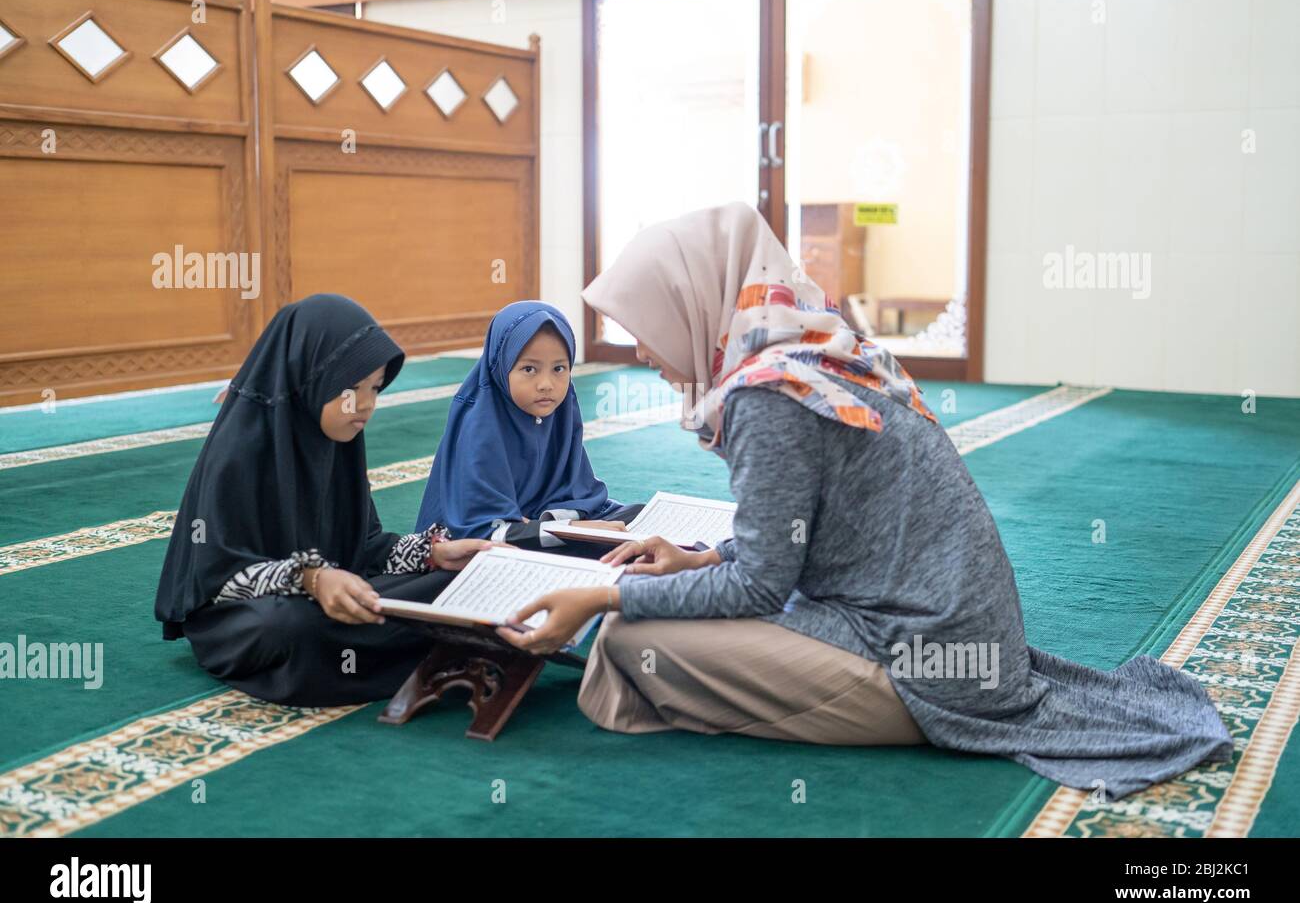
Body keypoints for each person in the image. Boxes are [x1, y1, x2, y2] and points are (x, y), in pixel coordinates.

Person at [498, 203, 1233, 801]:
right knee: (653, 613)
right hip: (962, 645)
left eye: (645, 329)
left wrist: (602, 597)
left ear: (692, 304)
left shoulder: (766, 396)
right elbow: (800, 536)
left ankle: (886, 720)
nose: (643, 353)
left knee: (634, 643)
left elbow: (762, 585)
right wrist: (700, 556)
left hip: (928, 671)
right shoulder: (818, 352)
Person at [154, 294, 495, 707]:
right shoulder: (241, 450)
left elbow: (364, 547)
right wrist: (311, 578)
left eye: (375, 389)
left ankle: (421, 639)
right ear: (309, 377)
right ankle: (443, 646)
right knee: (289, 626)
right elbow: (218, 577)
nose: (366, 406)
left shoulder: (340, 443)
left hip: (334, 592)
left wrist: (434, 555)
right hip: (246, 612)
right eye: (351, 389)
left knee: (454, 582)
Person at [414, 300, 641, 553]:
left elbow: (583, 497)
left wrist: (571, 525)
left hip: (537, 524)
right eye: (529, 369)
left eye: (559, 368)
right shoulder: (481, 429)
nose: (546, 384)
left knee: (638, 520)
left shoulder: (561, 412)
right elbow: (481, 530)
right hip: (474, 545)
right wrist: (572, 531)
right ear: (500, 367)